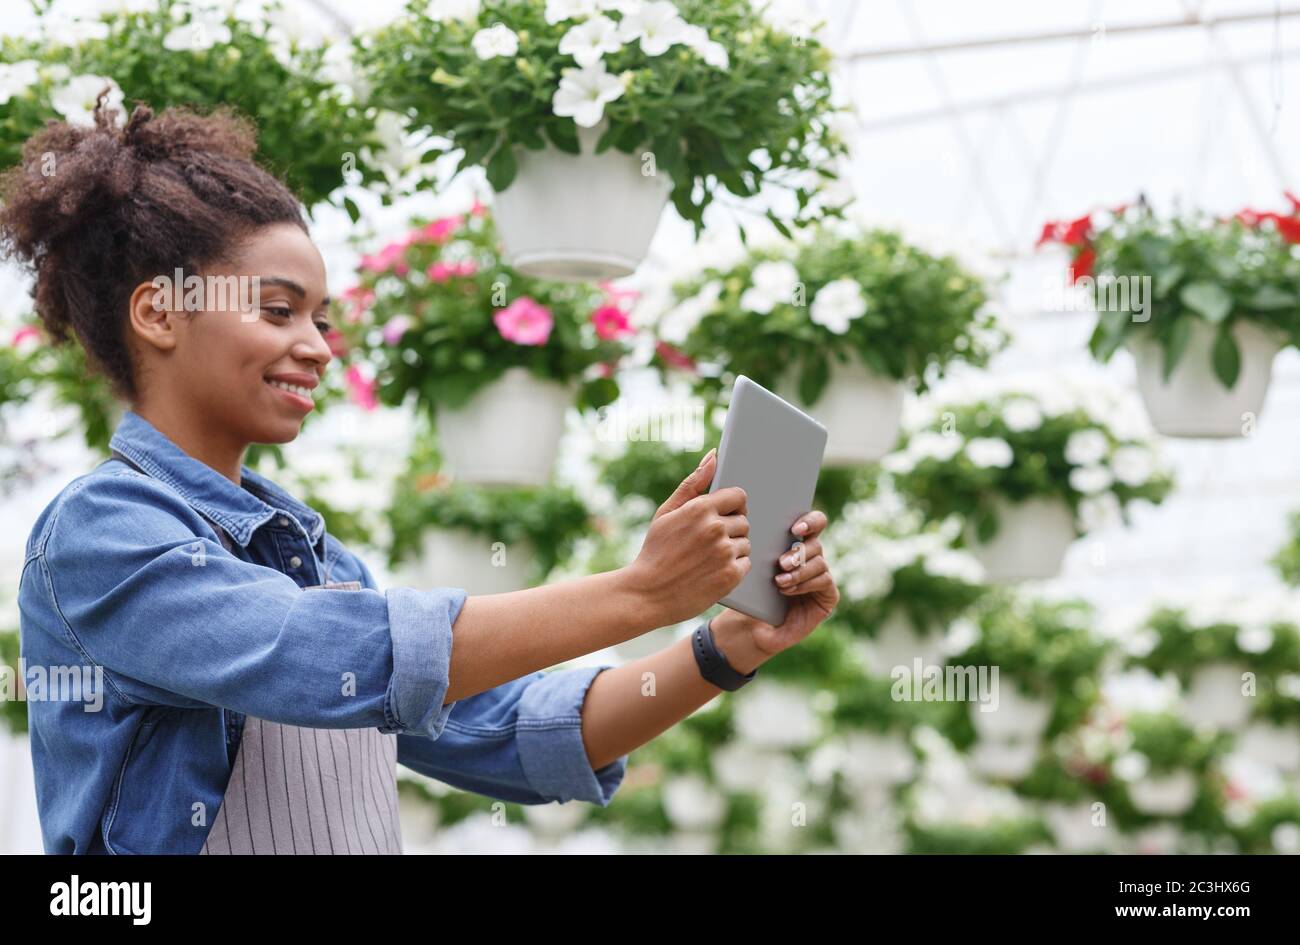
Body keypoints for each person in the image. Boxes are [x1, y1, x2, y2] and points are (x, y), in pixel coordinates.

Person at [4, 94, 839, 854]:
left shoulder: (323, 568)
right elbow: (327, 656)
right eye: (278, 309)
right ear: (158, 311)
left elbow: (515, 737)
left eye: (324, 321)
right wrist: (645, 590)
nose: (318, 345)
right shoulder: (101, 532)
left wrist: (724, 645)